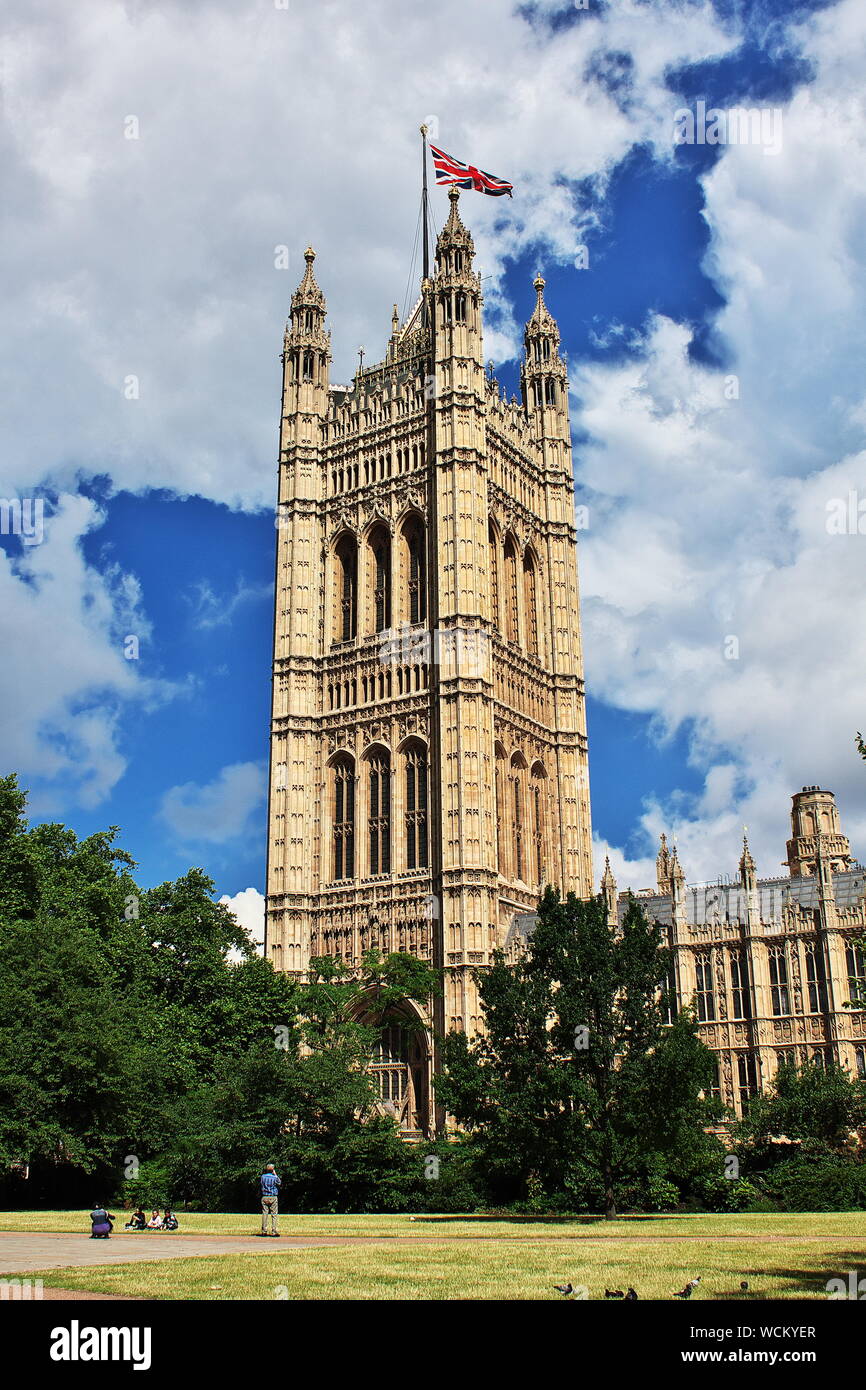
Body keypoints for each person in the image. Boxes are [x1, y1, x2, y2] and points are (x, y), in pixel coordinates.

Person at [259, 1163, 281, 1237]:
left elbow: (261, 1184)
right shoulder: (274, 1177)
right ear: (273, 1170)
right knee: (274, 1214)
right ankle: (274, 1231)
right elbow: (279, 1182)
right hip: (273, 1196)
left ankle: (264, 1231)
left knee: (265, 1214)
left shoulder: (263, 1177)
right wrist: (275, 1174)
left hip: (264, 1196)